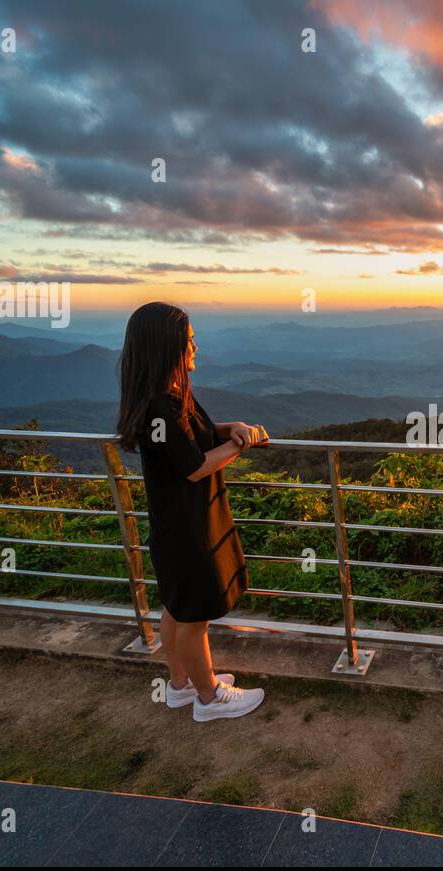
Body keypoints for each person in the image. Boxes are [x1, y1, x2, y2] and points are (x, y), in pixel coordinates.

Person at [116, 302, 270, 722]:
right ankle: (209, 698)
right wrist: (244, 444)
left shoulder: (162, 396)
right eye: (188, 340)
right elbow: (194, 465)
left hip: (175, 524)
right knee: (194, 617)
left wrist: (228, 428)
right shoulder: (160, 406)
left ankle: (180, 687)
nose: (195, 346)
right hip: (188, 527)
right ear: (167, 348)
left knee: (175, 608)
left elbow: (191, 437)